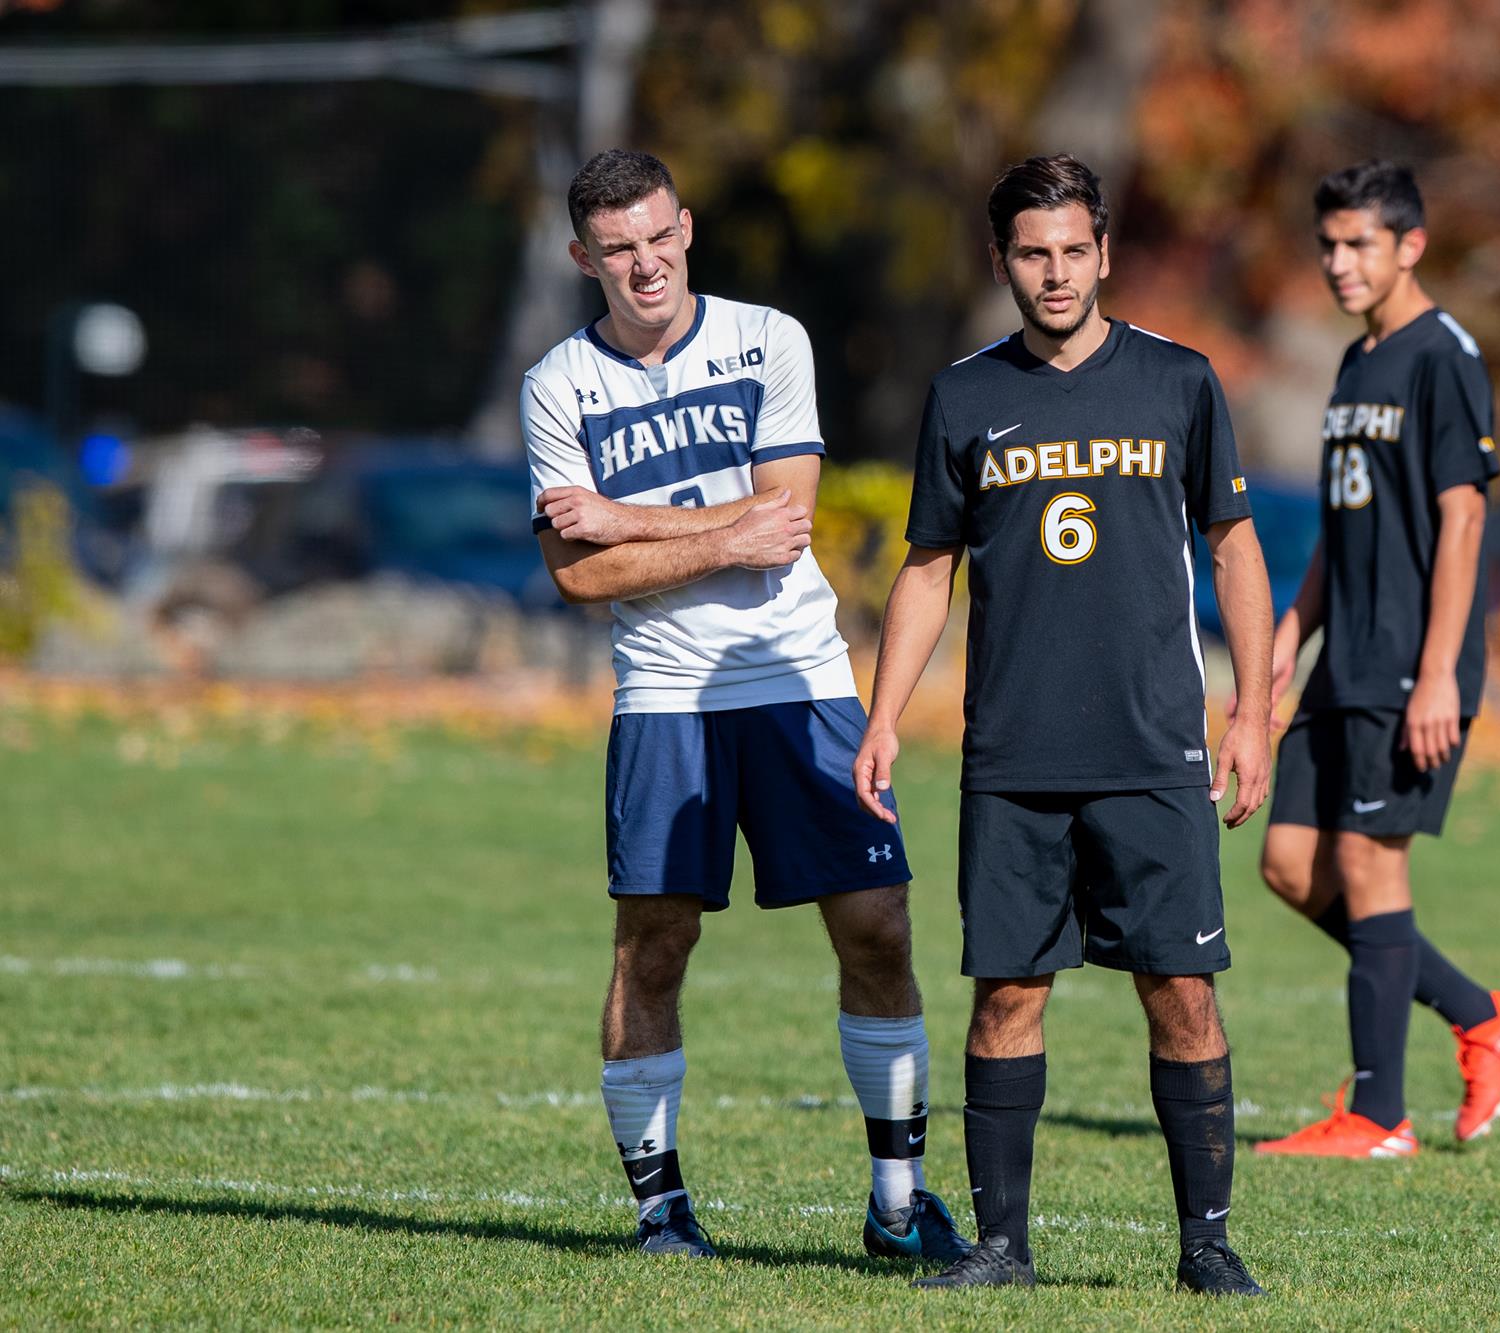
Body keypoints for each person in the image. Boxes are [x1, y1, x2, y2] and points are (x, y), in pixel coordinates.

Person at [521, 148, 971, 1264]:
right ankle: (660, 1208)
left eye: (657, 237)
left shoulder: (767, 338)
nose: (643, 265)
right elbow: (573, 580)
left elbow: (784, 521)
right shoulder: (554, 384)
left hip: (799, 680)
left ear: (687, 230)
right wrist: (713, 535)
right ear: (584, 257)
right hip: (663, 696)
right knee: (654, 944)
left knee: (876, 925)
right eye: (615, 249)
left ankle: (898, 1202)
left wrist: (619, 519)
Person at [853, 154, 1273, 1297]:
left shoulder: (1178, 382)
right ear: (1001, 262)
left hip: (1151, 753)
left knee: (1181, 991)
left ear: (1103, 253)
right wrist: (883, 715)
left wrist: (1255, 715)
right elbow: (928, 568)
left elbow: (1235, 550)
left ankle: (1205, 1244)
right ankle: (1001, 1247)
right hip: (1012, 757)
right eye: (1030, 253)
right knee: (1006, 992)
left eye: (1072, 250)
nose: (1053, 272)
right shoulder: (965, 395)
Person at [1253, 161, 1500, 1161]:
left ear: (1408, 246)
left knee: (1370, 868)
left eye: (1358, 244)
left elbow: (1462, 521)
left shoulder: (1441, 357)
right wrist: (1292, 631)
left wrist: (1436, 674)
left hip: (1413, 665)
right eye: (1327, 244)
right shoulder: (1352, 363)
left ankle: (1377, 1116)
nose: (1337, 262)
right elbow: (1340, 528)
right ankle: (1479, 1012)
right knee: (1289, 866)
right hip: (1344, 658)